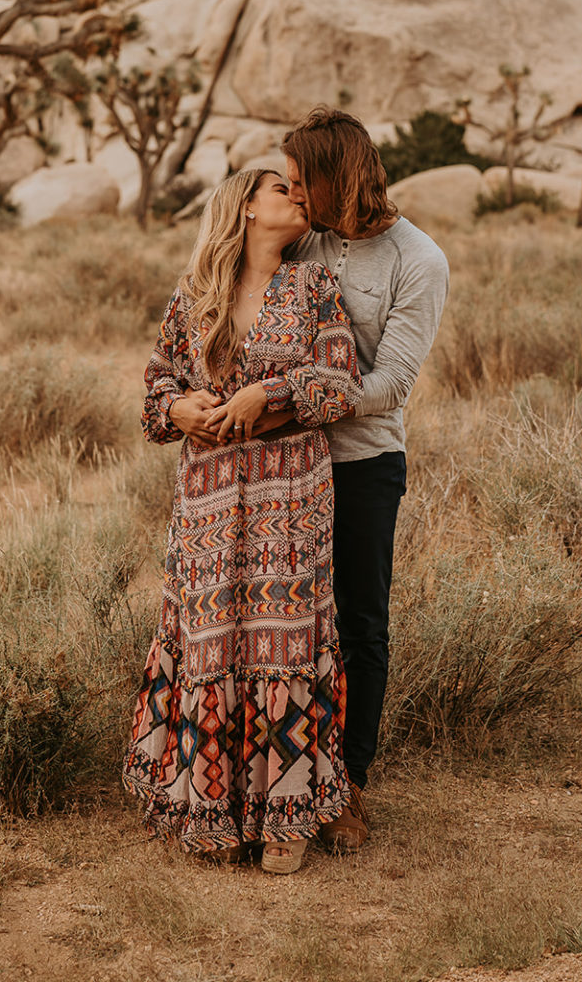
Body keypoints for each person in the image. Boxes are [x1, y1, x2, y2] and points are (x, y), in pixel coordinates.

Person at [123, 167, 363, 874]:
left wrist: (269, 391)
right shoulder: (194, 296)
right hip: (207, 492)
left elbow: (340, 381)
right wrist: (177, 409)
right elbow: (157, 381)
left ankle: (287, 820)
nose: (298, 197)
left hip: (289, 488)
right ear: (246, 208)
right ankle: (210, 806)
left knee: (283, 635)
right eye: (281, 189)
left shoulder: (316, 289)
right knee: (209, 633)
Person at [279, 107, 450, 853]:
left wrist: (297, 393)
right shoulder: (301, 239)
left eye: (300, 180)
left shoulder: (420, 260)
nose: (292, 196)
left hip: (363, 463)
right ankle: (284, 773)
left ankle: (349, 783)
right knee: (287, 627)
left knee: (359, 625)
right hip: (282, 463)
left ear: (332, 177)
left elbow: (391, 383)